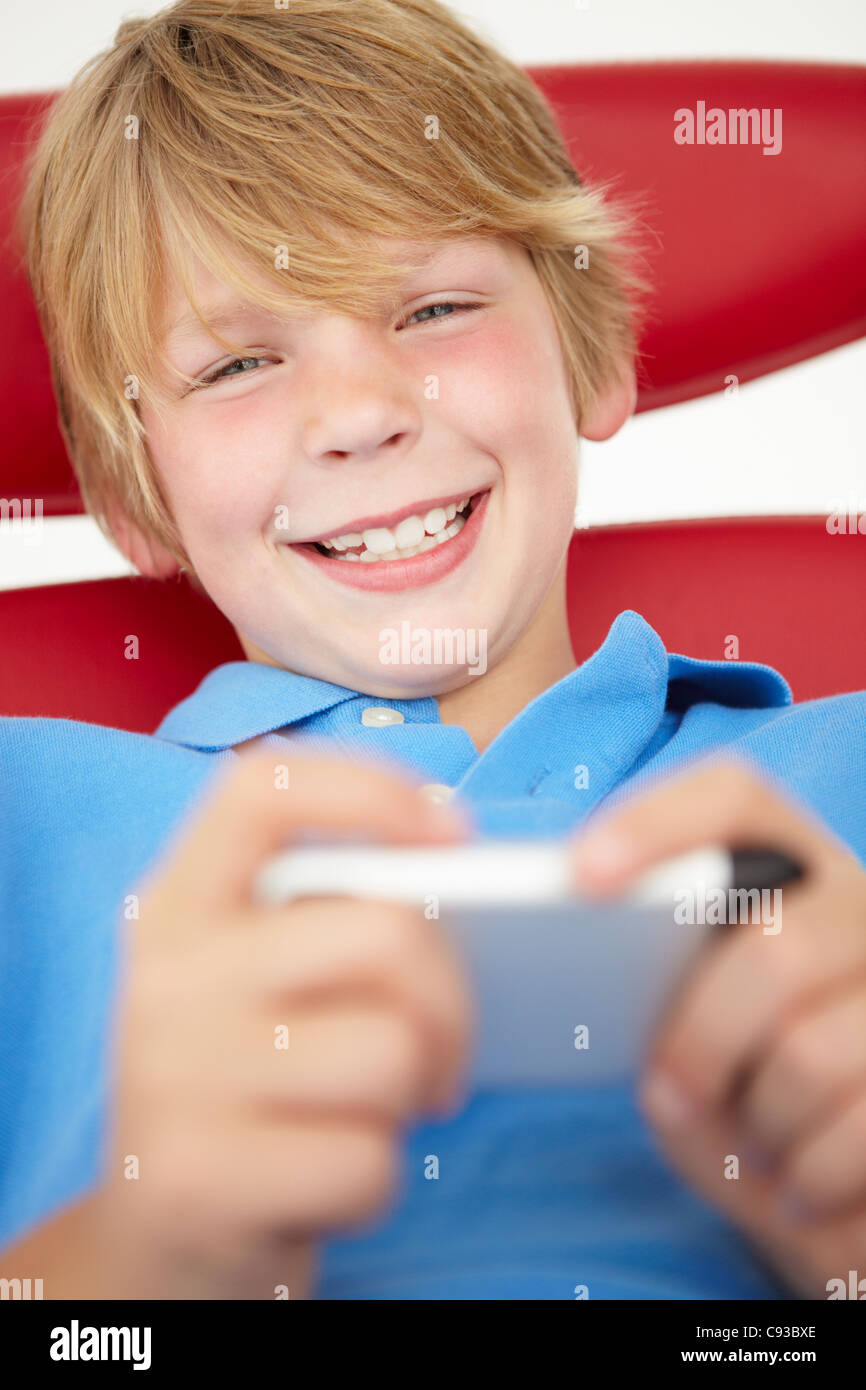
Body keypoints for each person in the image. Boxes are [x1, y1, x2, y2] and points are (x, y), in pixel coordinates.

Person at [2, 0, 865, 1300]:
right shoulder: (24, 823)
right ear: (135, 501)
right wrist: (124, 1271)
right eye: (237, 363)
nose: (358, 412)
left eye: (434, 307)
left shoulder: (841, 773)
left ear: (592, 354)